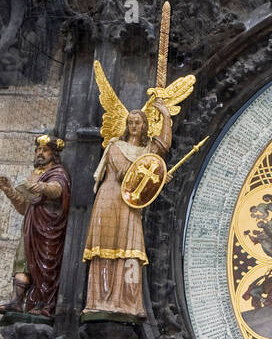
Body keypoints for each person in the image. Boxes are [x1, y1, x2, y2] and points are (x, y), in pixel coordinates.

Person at [82, 101, 171, 320]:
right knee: (106, 248)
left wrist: (166, 117)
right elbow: (125, 173)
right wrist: (157, 175)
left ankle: (128, 302)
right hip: (111, 199)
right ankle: (99, 300)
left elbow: (163, 146)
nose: (133, 126)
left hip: (131, 204)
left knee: (131, 249)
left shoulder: (147, 150)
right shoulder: (115, 147)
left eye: (137, 122)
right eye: (130, 122)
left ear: (145, 126)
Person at [0, 133, 70, 320]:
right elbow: (24, 206)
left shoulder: (58, 172)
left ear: (53, 154)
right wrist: (9, 191)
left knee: (46, 264)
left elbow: (58, 189)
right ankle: (16, 301)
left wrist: (44, 188)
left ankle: (44, 303)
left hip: (48, 228)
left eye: (45, 150)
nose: (40, 153)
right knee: (23, 262)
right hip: (30, 224)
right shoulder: (34, 175)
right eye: (38, 150)